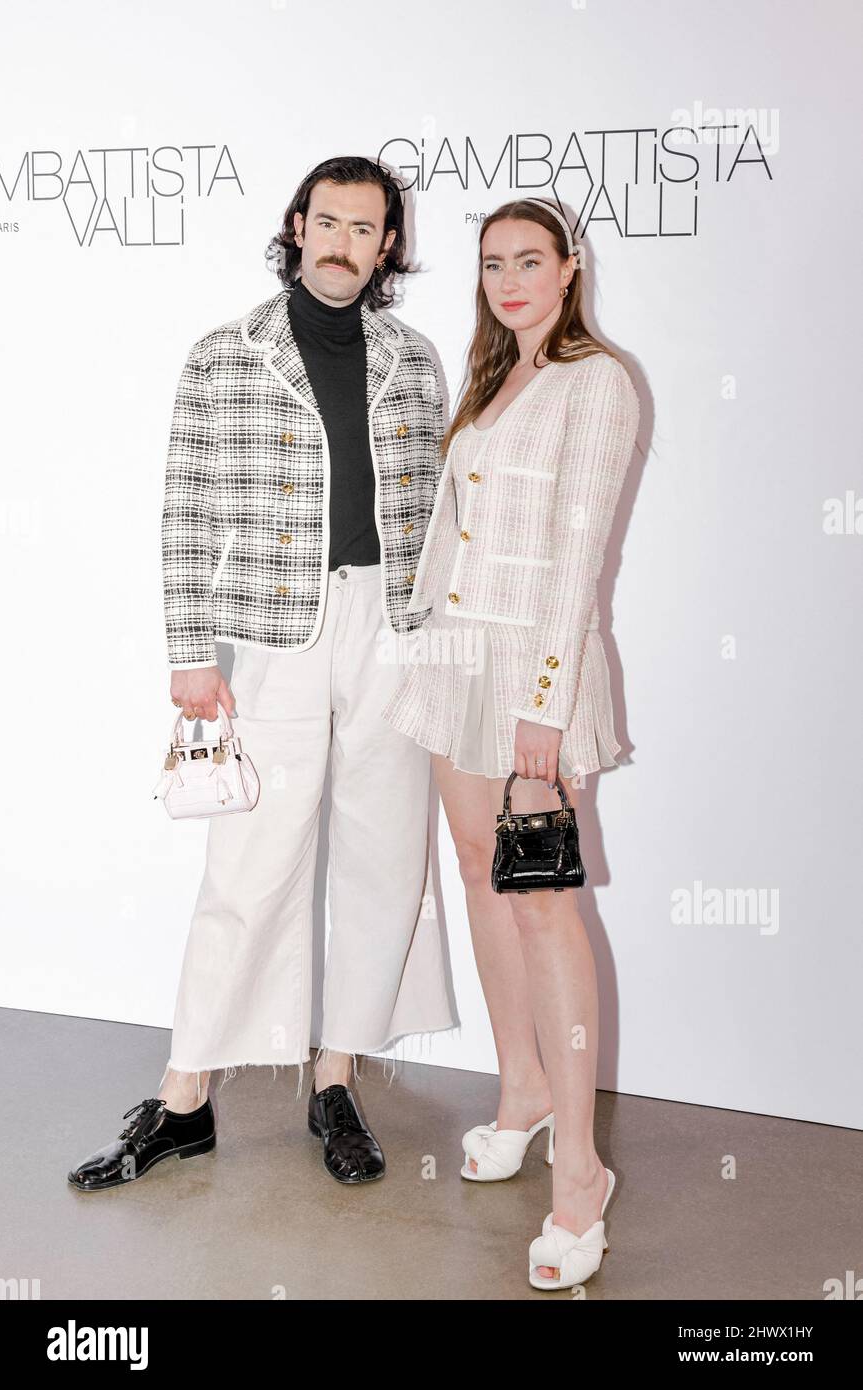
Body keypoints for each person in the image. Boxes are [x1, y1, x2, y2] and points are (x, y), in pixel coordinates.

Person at [67, 155, 457, 1194]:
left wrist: (438, 636)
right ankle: (186, 1096)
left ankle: (333, 1081)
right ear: (295, 227)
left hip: (390, 625)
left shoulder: (413, 360)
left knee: (384, 857)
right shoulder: (222, 355)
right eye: (324, 221)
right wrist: (189, 653)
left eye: (362, 227)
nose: (340, 240)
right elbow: (185, 512)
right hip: (269, 632)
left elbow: (439, 512)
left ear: (386, 245)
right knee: (250, 867)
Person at [380, 196, 640, 1287]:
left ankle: (579, 1174)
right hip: (454, 664)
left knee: (545, 902)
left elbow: (579, 561)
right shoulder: (489, 381)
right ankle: (521, 1092)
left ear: (569, 267)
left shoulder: (599, 381)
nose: (509, 280)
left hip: (535, 675)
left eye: (529, 260)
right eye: (492, 264)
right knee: (482, 884)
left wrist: (547, 700)